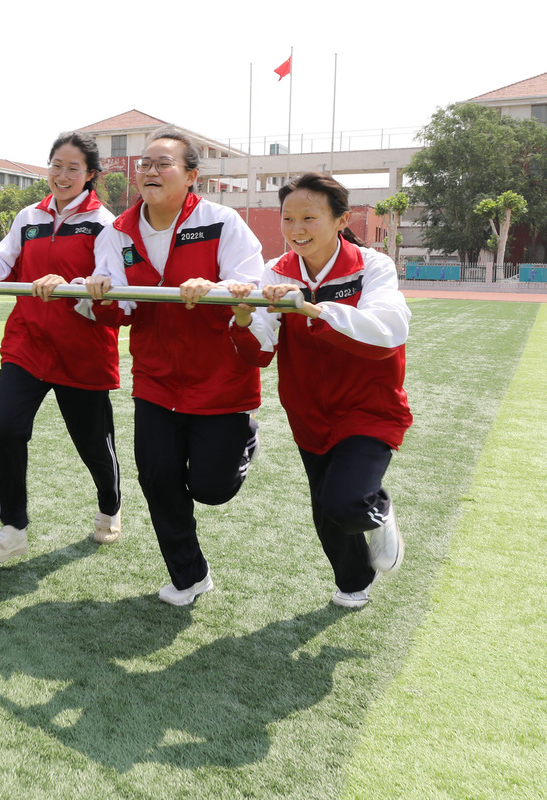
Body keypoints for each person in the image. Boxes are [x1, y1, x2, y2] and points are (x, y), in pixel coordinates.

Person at [85, 125, 264, 607]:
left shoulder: (221, 221)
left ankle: (246, 436)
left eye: (163, 163)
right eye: (144, 163)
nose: (150, 171)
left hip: (221, 381)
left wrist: (219, 286)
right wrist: (100, 293)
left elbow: (250, 282)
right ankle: (189, 576)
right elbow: (117, 309)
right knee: (157, 475)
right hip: (157, 380)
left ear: (191, 176)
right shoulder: (116, 231)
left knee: (211, 489)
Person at [0, 132, 122, 563]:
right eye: (56, 165)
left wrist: (68, 286)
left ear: (90, 174)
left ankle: (110, 503)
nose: (62, 175)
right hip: (27, 344)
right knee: (6, 430)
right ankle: (13, 525)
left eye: (73, 168)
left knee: (92, 443)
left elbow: (110, 284)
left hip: (82, 350)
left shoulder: (106, 224)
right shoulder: (28, 216)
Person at [226, 172, 411, 609]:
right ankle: (354, 583)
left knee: (345, 501)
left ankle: (377, 510)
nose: (297, 229)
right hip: (308, 412)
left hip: (370, 408)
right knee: (326, 510)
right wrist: (241, 316)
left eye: (310, 217)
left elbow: (387, 330)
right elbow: (260, 349)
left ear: (341, 220)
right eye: (288, 219)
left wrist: (311, 309)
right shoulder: (276, 271)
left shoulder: (372, 266)